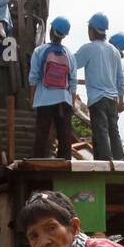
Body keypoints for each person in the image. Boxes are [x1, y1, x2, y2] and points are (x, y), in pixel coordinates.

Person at [73, 12, 124, 160]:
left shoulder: (89, 48)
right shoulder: (115, 52)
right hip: (112, 100)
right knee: (113, 132)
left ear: (92, 29)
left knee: (101, 131)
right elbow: (120, 80)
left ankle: (106, 163)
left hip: (97, 99)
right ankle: (119, 161)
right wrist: (120, 101)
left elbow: (73, 64)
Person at [28, 17, 77, 158]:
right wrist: (72, 103)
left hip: (44, 100)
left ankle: (38, 161)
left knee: (41, 133)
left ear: (51, 31)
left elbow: (33, 77)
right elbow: (72, 82)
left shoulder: (39, 51)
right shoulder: (69, 55)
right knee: (64, 135)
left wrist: (32, 98)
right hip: (63, 100)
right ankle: (65, 163)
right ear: (64, 36)